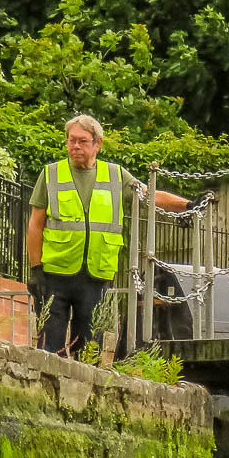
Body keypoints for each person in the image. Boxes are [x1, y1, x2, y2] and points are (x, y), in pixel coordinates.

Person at [28, 115, 191, 359]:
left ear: (97, 144)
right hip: (55, 275)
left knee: (89, 348)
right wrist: (36, 269)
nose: (75, 147)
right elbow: (35, 225)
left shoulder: (116, 175)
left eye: (82, 141)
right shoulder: (51, 174)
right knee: (50, 349)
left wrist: (187, 205)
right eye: (71, 140)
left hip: (95, 276)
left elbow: (149, 196)